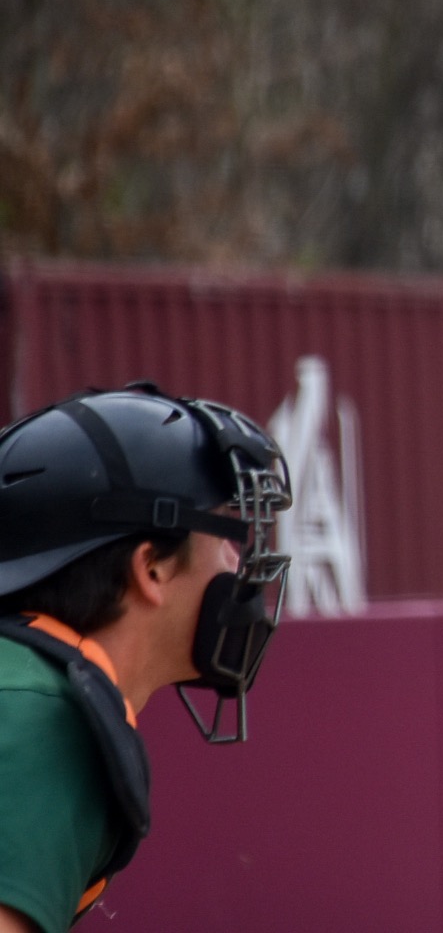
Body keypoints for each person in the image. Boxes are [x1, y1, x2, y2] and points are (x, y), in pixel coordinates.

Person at [0, 383, 292, 933]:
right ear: (151, 565)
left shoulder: (24, 682)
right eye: (232, 536)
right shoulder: (44, 718)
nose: (242, 566)